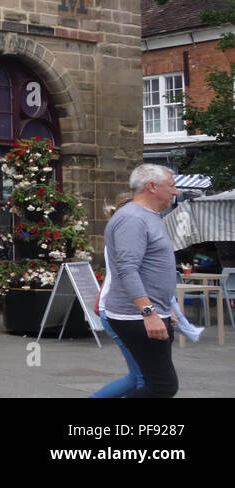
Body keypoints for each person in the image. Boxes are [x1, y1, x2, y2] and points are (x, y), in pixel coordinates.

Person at [102, 164, 180, 398]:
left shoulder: (149, 216)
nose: (175, 192)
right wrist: (149, 313)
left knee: (155, 383)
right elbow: (128, 269)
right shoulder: (132, 219)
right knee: (161, 386)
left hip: (151, 313)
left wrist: (167, 308)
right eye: (171, 185)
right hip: (135, 316)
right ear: (151, 187)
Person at [91, 194, 144, 398]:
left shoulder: (124, 235)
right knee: (143, 378)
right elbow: (128, 274)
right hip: (121, 311)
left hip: (120, 310)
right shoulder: (125, 236)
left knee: (138, 377)